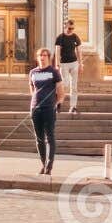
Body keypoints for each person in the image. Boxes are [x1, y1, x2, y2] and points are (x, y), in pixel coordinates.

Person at [29, 46, 63, 175]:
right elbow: (32, 89)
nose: (42, 57)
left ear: (49, 58)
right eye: (40, 55)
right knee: (39, 139)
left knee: (50, 136)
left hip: (49, 108)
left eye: (45, 55)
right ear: (37, 58)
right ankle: (43, 164)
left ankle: (49, 166)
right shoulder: (33, 72)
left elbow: (60, 91)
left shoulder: (54, 72)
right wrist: (34, 102)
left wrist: (57, 102)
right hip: (35, 108)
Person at [54, 18, 82, 115]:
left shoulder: (75, 37)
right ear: (65, 26)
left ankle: (73, 106)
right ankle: (58, 103)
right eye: (70, 28)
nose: (71, 30)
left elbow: (79, 51)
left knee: (74, 86)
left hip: (74, 63)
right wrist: (57, 65)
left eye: (73, 28)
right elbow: (57, 52)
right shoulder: (60, 37)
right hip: (64, 64)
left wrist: (80, 64)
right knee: (65, 84)